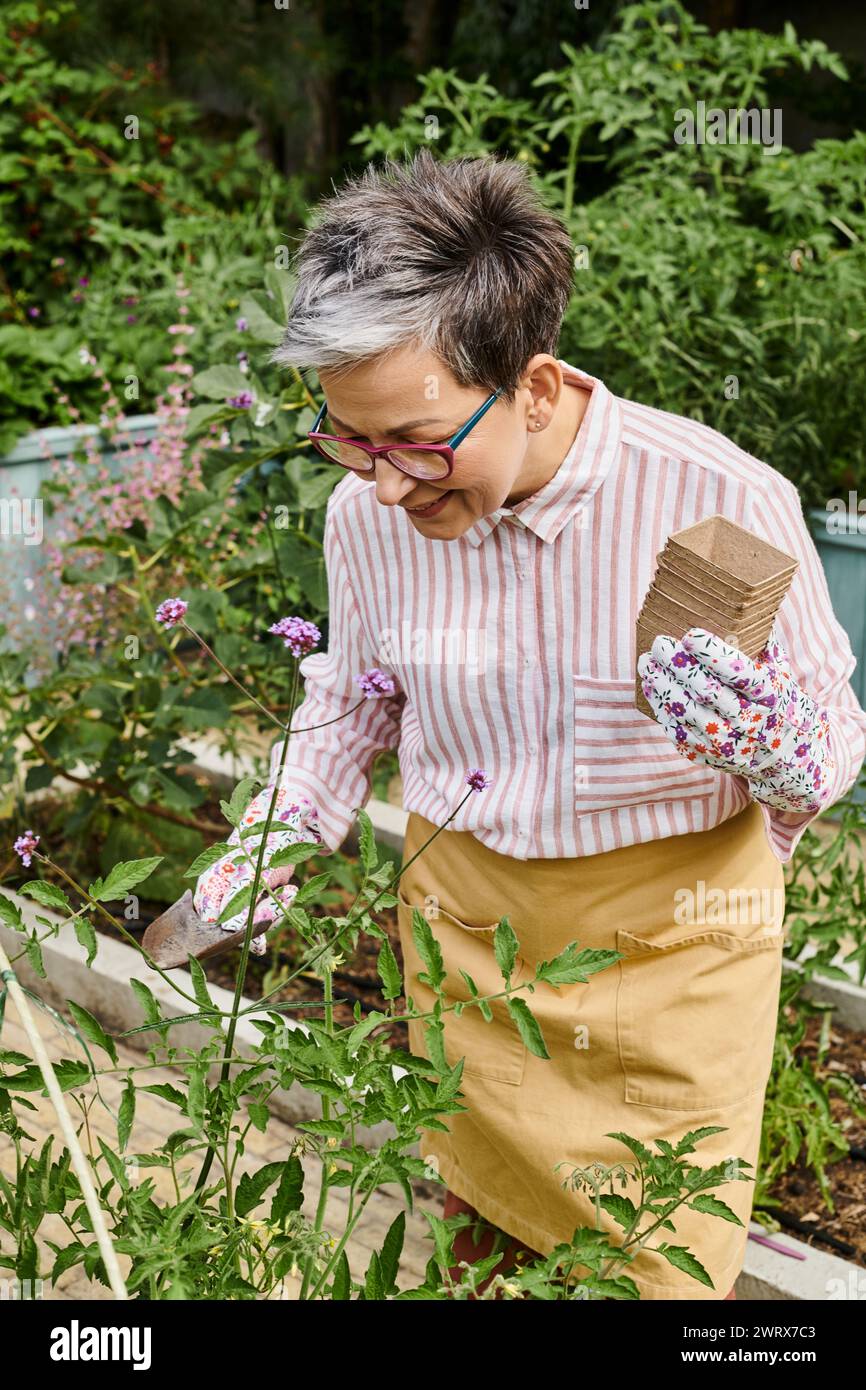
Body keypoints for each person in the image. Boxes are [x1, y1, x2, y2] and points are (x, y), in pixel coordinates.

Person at [193, 148, 866, 1300]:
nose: (383, 484)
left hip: (670, 949)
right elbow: (356, 699)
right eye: (345, 439)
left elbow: (834, 744)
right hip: (463, 933)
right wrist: (281, 829)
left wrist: (777, 748)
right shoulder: (366, 516)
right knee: (477, 1237)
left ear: (537, 387)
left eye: (412, 440)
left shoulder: (717, 499)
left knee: (651, 1270)